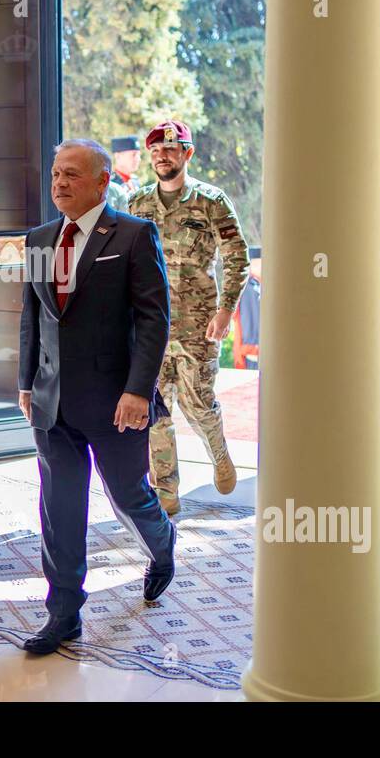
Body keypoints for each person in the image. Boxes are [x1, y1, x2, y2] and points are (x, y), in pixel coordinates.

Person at [17, 138, 175, 655]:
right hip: (51, 401)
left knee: (128, 495)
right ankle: (63, 614)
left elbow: (153, 320)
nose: (59, 183)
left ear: (102, 181)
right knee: (59, 507)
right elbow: (33, 318)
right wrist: (25, 381)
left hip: (114, 401)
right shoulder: (40, 239)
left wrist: (138, 390)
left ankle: (163, 543)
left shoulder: (132, 235)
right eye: (56, 173)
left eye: (72, 175)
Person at [128, 119, 249, 515]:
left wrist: (225, 309)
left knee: (199, 406)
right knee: (156, 410)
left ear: (187, 153)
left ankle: (219, 454)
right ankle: (166, 491)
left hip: (199, 323)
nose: (163, 156)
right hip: (151, 325)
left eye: (171, 148)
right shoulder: (138, 204)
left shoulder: (212, 202)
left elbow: (237, 259)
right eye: (156, 151)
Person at [104, 135, 140, 213]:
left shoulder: (135, 181)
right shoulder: (109, 183)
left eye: (138, 154)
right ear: (118, 156)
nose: (138, 159)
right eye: (133, 154)